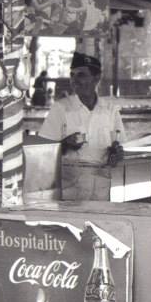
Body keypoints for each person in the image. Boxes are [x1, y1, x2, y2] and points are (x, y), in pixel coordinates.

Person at [38, 52, 124, 201]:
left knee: (98, 224)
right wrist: (65, 144)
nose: (74, 80)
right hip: (69, 188)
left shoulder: (110, 110)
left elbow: (119, 147)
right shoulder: (61, 108)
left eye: (81, 75)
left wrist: (116, 152)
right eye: (72, 75)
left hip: (100, 187)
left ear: (96, 78)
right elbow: (42, 151)